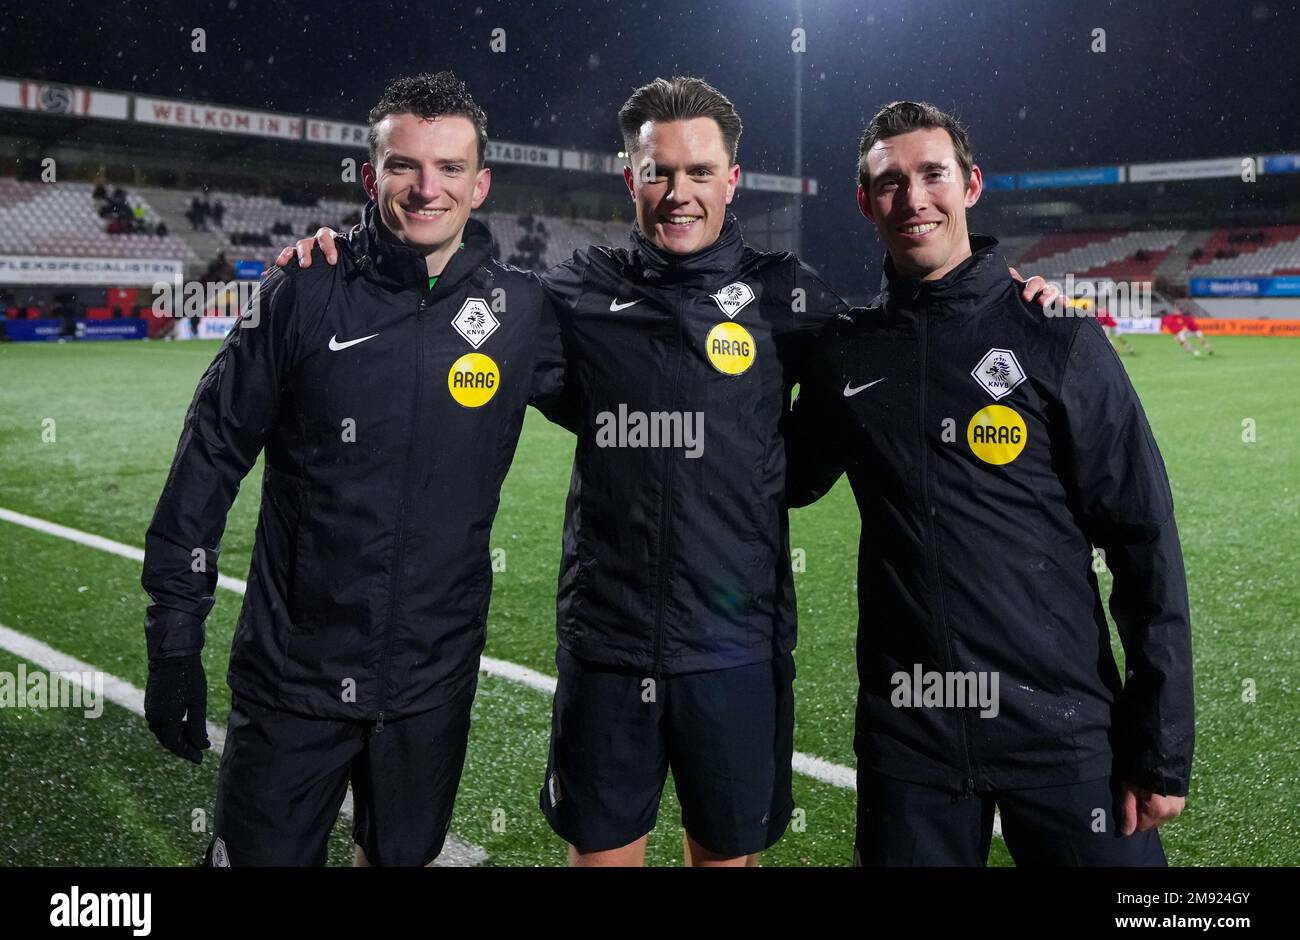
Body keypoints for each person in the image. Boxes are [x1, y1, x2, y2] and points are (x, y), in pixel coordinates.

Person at [280, 78, 1057, 868]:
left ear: (730, 180)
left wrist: (1010, 303)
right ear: (632, 179)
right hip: (607, 645)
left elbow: (896, 351)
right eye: (658, 173)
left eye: (697, 173)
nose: (677, 193)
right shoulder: (576, 293)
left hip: (736, 650)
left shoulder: (787, 296)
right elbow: (440, 300)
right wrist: (346, 254)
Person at [142, 71, 568, 867]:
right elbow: (209, 454)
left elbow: (640, 370)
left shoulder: (522, 313)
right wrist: (173, 639)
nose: (426, 187)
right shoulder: (304, 289)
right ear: (371, 177)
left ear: (480, 185)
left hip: (431, 684)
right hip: (294, 676)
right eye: (404, 165)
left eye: (448, 169)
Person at [787, 101, 1193, 866]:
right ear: (865, 202)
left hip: (1067, 734)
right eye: (889, 183)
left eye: (932, 174)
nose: (913, 199)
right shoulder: (848, 352)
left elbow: (1145, 543)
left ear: (970, 185)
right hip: (911, 744)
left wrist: (1161, 745)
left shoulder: (1059, 337)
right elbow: (786, 476)